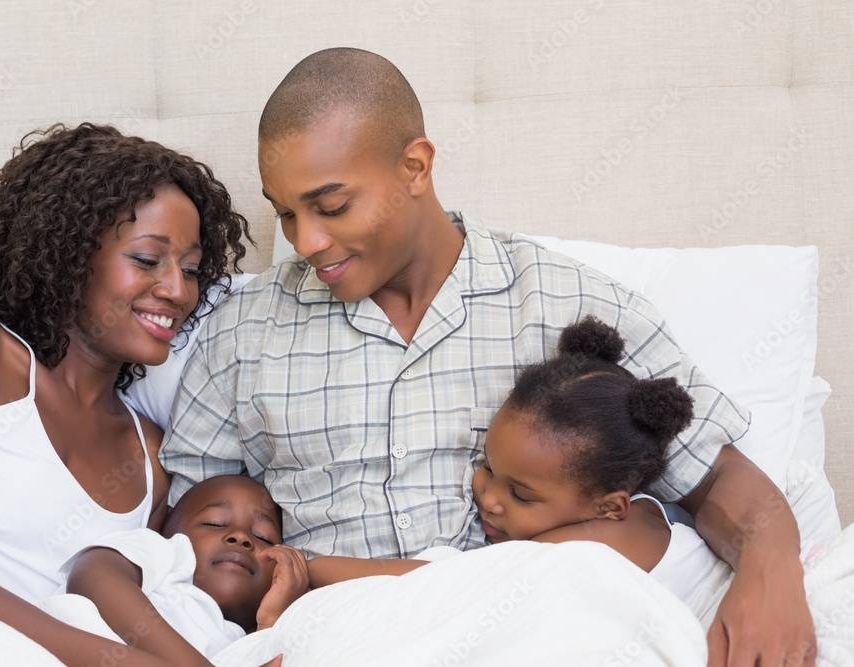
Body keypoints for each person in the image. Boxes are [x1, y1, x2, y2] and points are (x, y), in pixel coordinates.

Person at [161, 47, 816, 665]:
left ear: (415, 167)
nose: (306, 241)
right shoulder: (243, 334)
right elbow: (183, 545)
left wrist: (771, 572)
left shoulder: (567, 302)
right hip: (340, 640)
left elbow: (714, 474)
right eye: (285, 214)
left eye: (331, 206)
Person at [0, 123, 253, 667]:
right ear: (69, 255)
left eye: (190, 271)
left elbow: (163, 606)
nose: (177, 291)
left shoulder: (152, 458)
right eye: (148, 260)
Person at [305, 316, 733, 626]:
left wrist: (310, 567)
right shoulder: (635, 516)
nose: (489, 499)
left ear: (607, 507)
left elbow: (438, 584)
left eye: (521, 494)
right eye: (488, 468)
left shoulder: (594, 544)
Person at [59, 474, 308, 666]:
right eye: (215, 523)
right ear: (169, 534)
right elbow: (93, 577)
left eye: (263, 537)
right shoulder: (168, 553)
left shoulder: (252, 637)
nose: (241, 537)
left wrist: (269, 623)